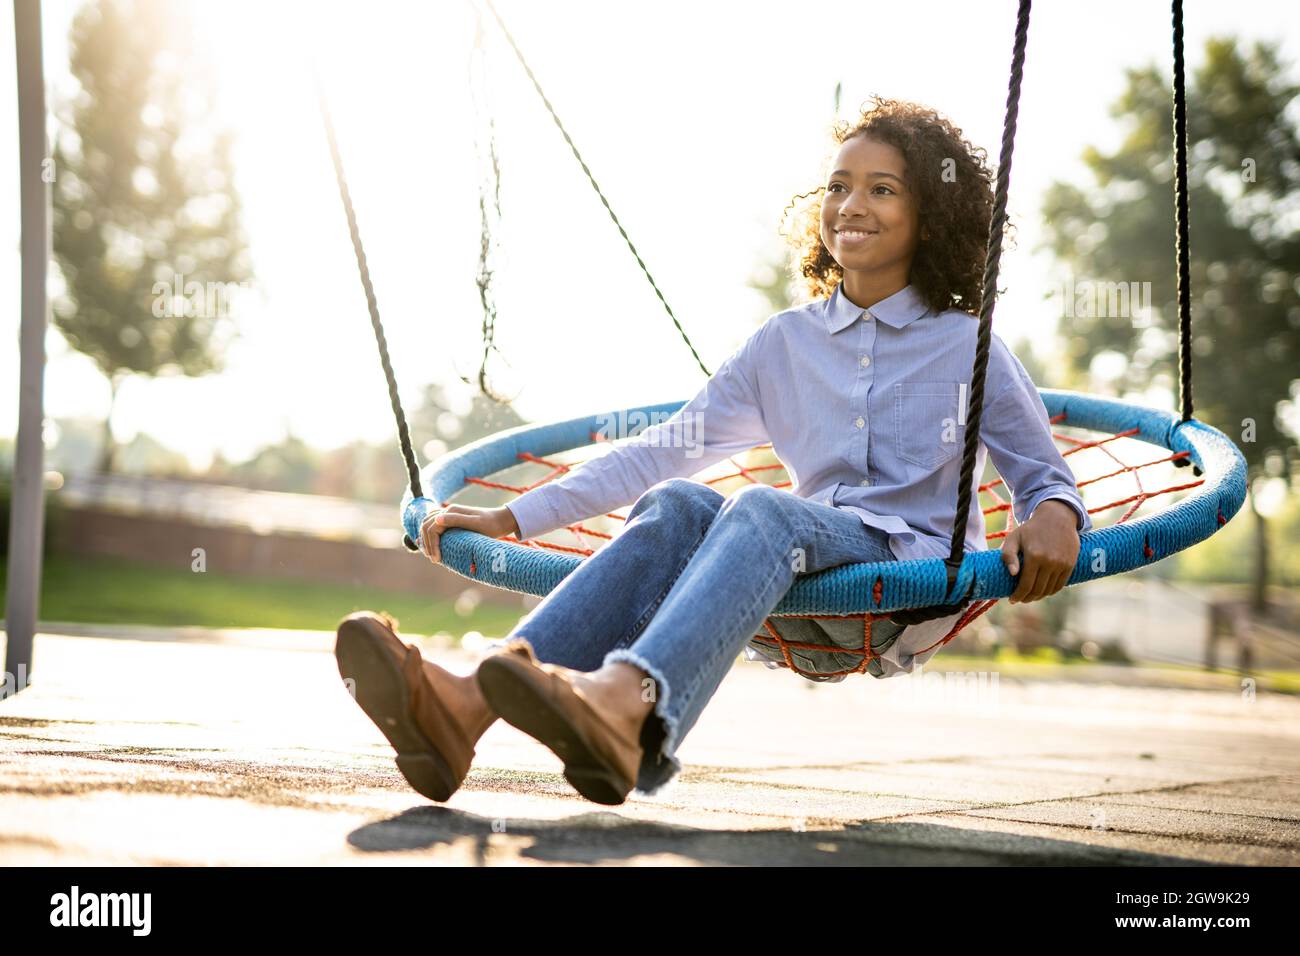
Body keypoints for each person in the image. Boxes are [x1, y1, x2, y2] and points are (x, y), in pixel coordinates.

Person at [334, 96, 1090, 807]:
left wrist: (1053, 515)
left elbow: (1042, 476)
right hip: (799, 581)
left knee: (764, 508)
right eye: (839, 186)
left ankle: (625, 707)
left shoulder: (968, 346)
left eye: (883, 189)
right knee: (675, 502)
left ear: (932, 218)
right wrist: (514, 518)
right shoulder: (783, 344)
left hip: (909, 588)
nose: (853, 205)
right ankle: (461, 710)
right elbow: (663, 451)